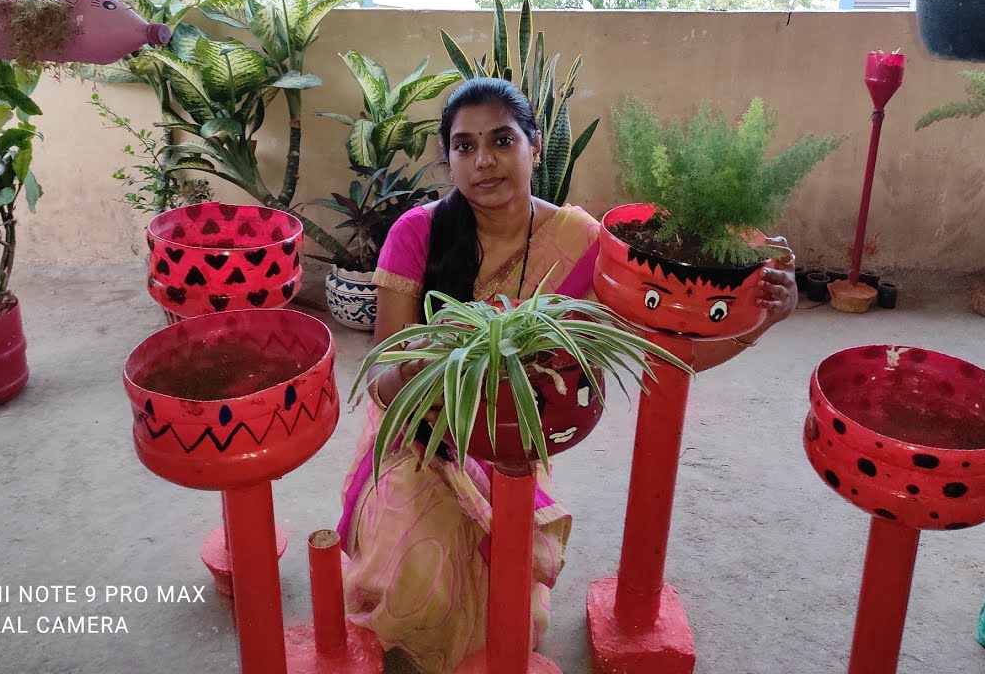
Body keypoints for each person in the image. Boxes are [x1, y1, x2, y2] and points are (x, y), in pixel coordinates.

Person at [335, 77, 798, 673]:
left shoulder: (583, 244)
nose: (483, 162)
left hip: (512, 436)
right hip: (419, 433)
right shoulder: (417, 234)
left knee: (511, 617)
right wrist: (450, 365)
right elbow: (383, 377)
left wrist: (758, 319)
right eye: (463, 145)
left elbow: (665, 357)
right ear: (448, 157)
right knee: (414, 574)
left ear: (535, 144)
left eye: (502, 140)